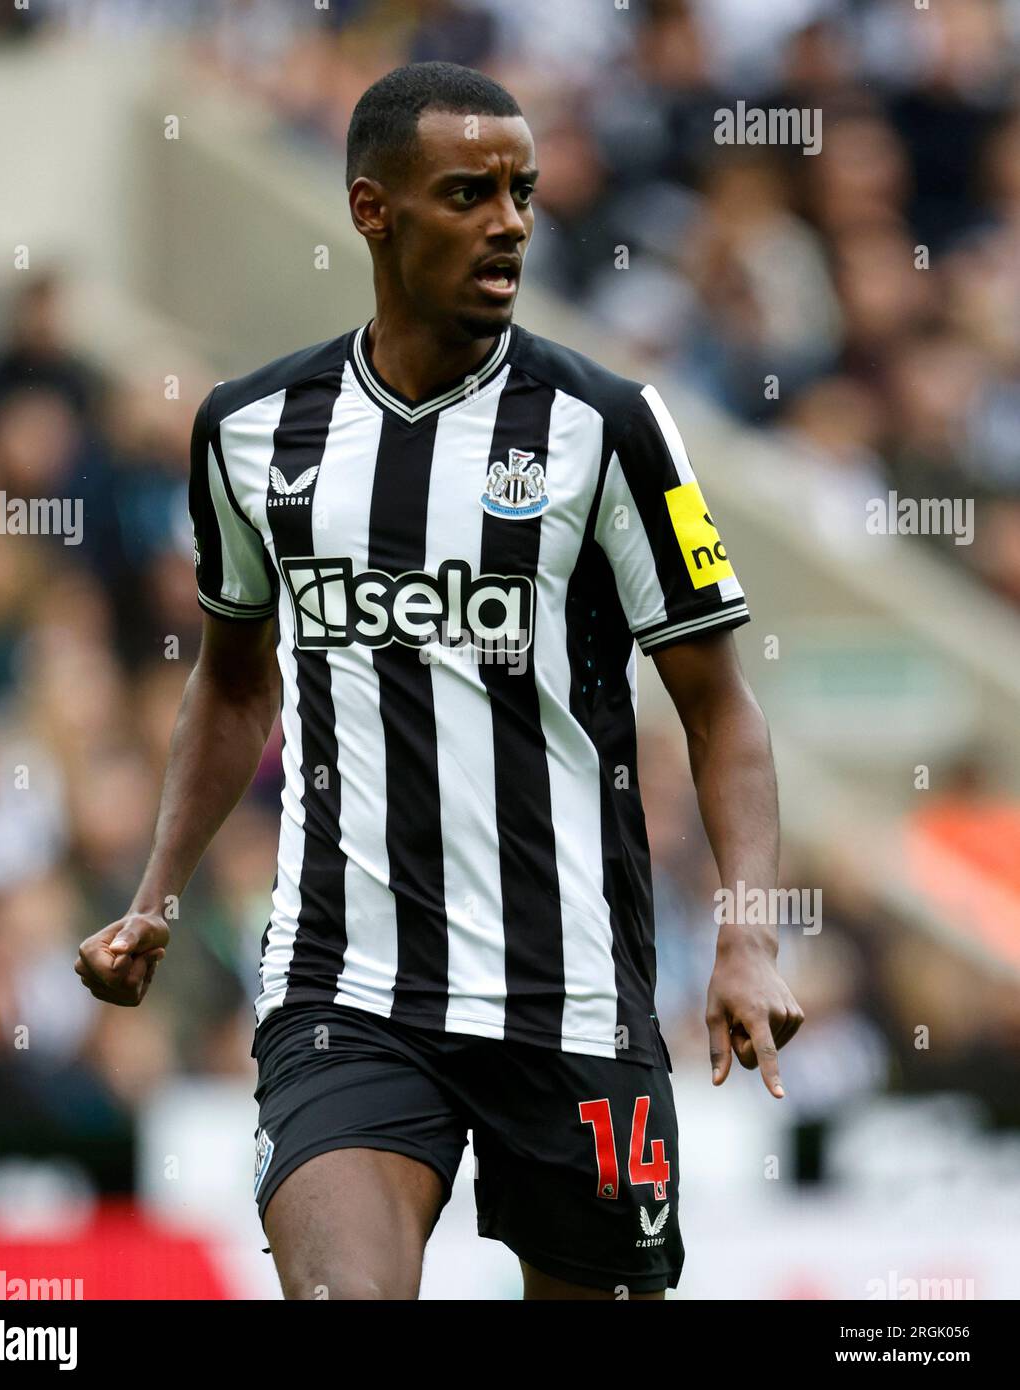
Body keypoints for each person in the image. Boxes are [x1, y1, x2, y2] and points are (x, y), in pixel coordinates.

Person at [75, 61, 803, 1301]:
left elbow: (720, 705)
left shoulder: (605, 426)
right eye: (470, 192)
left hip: (569, 990)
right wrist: (157, 887)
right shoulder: (253, 433)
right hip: (342, 985)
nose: (509, 219)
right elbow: (234, 677)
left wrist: (745, 931)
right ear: (373, 209)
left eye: (522, 190)